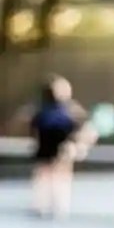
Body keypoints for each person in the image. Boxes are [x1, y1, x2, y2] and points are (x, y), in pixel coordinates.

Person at [28, 75, 91, 219]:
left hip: (61, 154)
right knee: (45, 182)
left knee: (58, 184)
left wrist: (78, 146)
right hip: (47, 154)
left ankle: (57, 209)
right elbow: (33, 130)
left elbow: (86, 130)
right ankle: (44, 208)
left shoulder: (71, 111)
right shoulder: (41, 112)